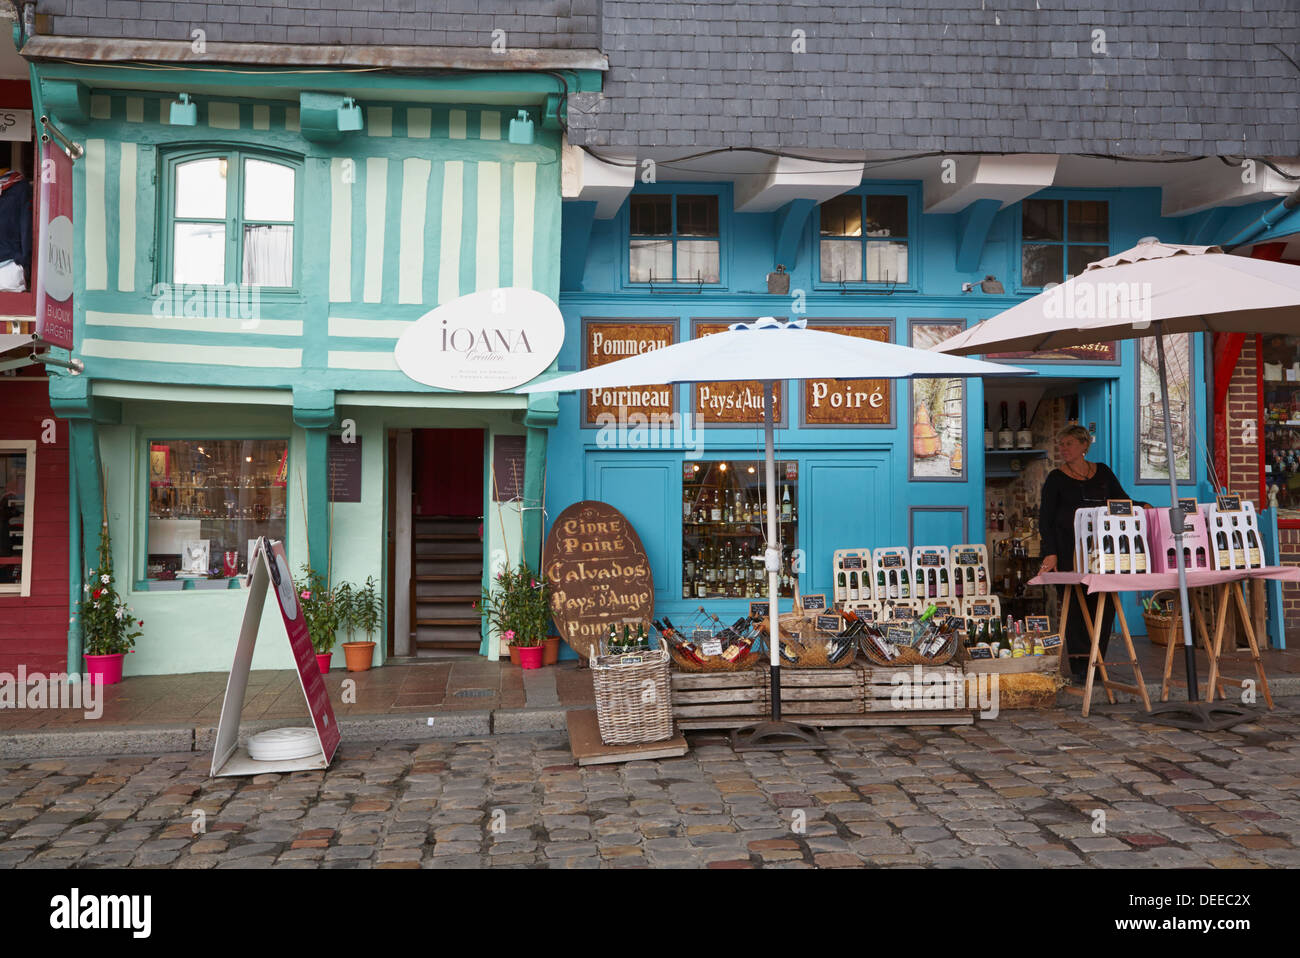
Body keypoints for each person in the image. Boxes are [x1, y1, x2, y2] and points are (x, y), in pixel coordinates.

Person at [1037, 425, 1137, 683]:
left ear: (1084, 446)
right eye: (1061, 445)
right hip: (1069, 552)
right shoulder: (1056, 479)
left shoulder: (1102, 472)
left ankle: (1098, 661)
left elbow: (1121, 501)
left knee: (1103, 606)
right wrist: (1050, 553)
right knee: (1075, 608)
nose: (1063, 449)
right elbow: (1045, 520)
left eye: (1068, 443)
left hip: (1103, 551)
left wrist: (1141, 505)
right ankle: (1081, 666)